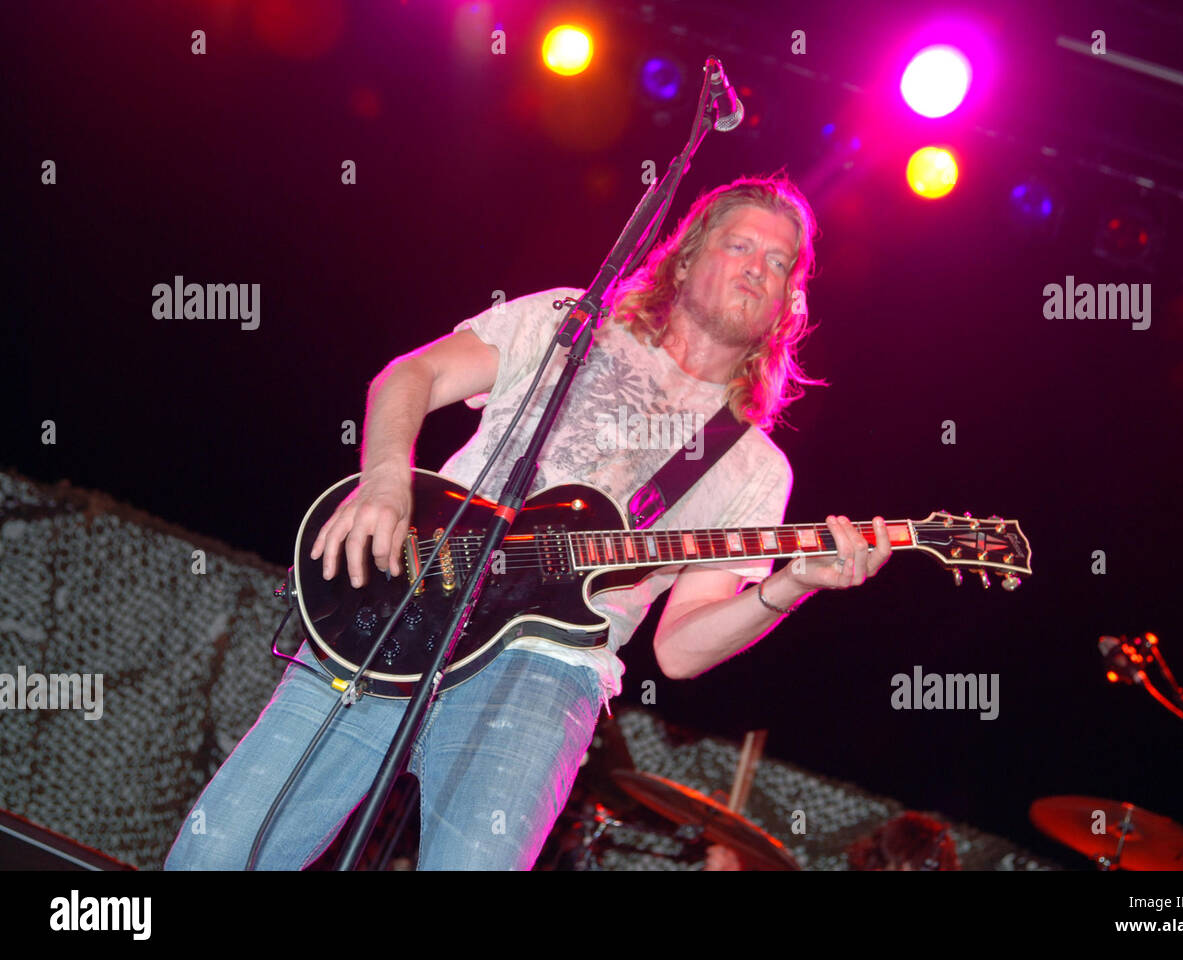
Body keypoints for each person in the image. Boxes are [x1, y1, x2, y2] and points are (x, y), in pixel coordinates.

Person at [164, 173, 893, 871]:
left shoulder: (757, 468)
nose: (761, 269)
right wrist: (385, 482)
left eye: (781, 263)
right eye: (742, 245)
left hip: (548, 670)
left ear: (789, 302)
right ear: (688, 251)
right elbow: (409, 376)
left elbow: (680, 651)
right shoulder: (570, 320)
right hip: (409, 589)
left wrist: (792, 584)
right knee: (222, 848)